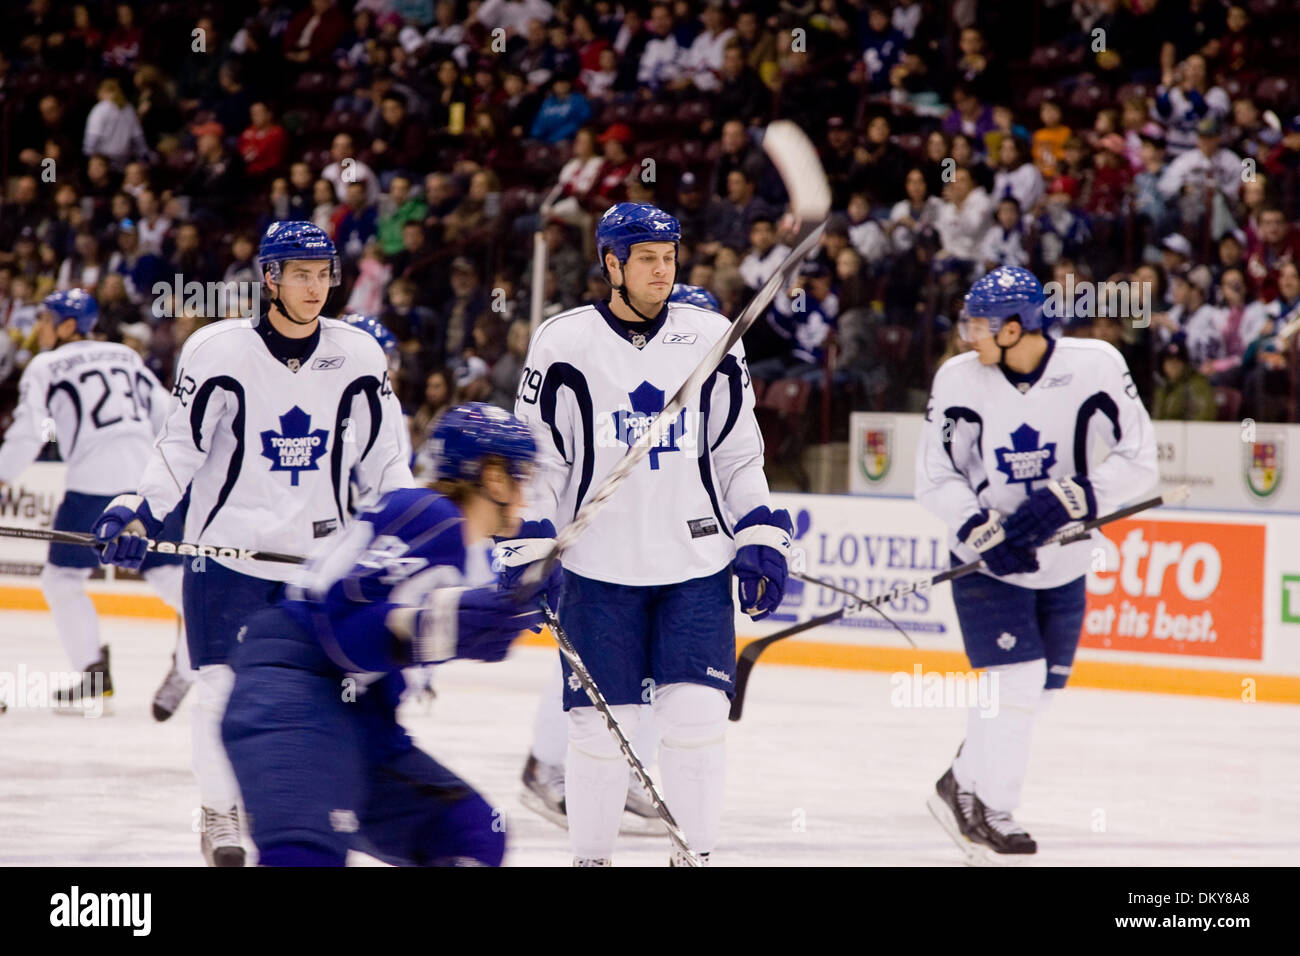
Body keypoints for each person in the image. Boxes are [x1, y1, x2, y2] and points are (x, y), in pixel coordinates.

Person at [91, 222, 413, 867]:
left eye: (323, 273)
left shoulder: (357, 355)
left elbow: (385, 465)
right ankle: (219, 812)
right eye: (300, 273)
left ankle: (308, 814)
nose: (315, 286)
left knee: (323, 698)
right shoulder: (218, 351)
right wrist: (139, 509)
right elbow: (180, 449)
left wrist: (407, 535)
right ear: (269, 278)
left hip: (318, 563)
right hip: (226, 561)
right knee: (217, 690)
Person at [507, 202, 791, 866]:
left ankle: (694, 858)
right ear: (612, 264)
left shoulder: (713, 335)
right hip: (596, 573)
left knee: (695, 725)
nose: (663, 270)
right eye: (647, 259)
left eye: (670, 257)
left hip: (693, 568)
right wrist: (530, 542)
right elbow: (540, 461)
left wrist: (759, 530)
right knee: (601, 733)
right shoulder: (562, 342)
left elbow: (739, 455)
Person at [220, 403, 553, 867]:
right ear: (494, 477)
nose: (526, 494)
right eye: (524, 476)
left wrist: (500, 615)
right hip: (293, 691)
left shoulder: (471, 558)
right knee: (305, 856)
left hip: (361, 719)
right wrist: (449, 622)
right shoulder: (427, 512)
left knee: (473, 833)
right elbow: (343, 632)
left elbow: (433, 637)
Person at [916, 265, 1157, 863]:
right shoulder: (958, 378)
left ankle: (961, 779)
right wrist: (980, 527)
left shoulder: (1095, 364)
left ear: (1017, 326)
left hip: (1065, 557)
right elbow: (933, 474)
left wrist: (1072, 497)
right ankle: (989, 807)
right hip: (988, 561)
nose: (967, 334)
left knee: (1041, 691)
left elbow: (1140, 459)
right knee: (1014, 683)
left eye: (980, 324)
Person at [0, 291, 189, 716]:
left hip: (94, 486)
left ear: (69, 326)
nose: (40, 327)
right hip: (146, 487)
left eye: (47, 319)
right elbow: (169, 415)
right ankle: (205, 653)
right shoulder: (125, 355)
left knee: (62, 579)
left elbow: (30, 430)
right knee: (171, 579)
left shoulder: (45, 364)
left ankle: (92, 676)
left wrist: (2, 474)